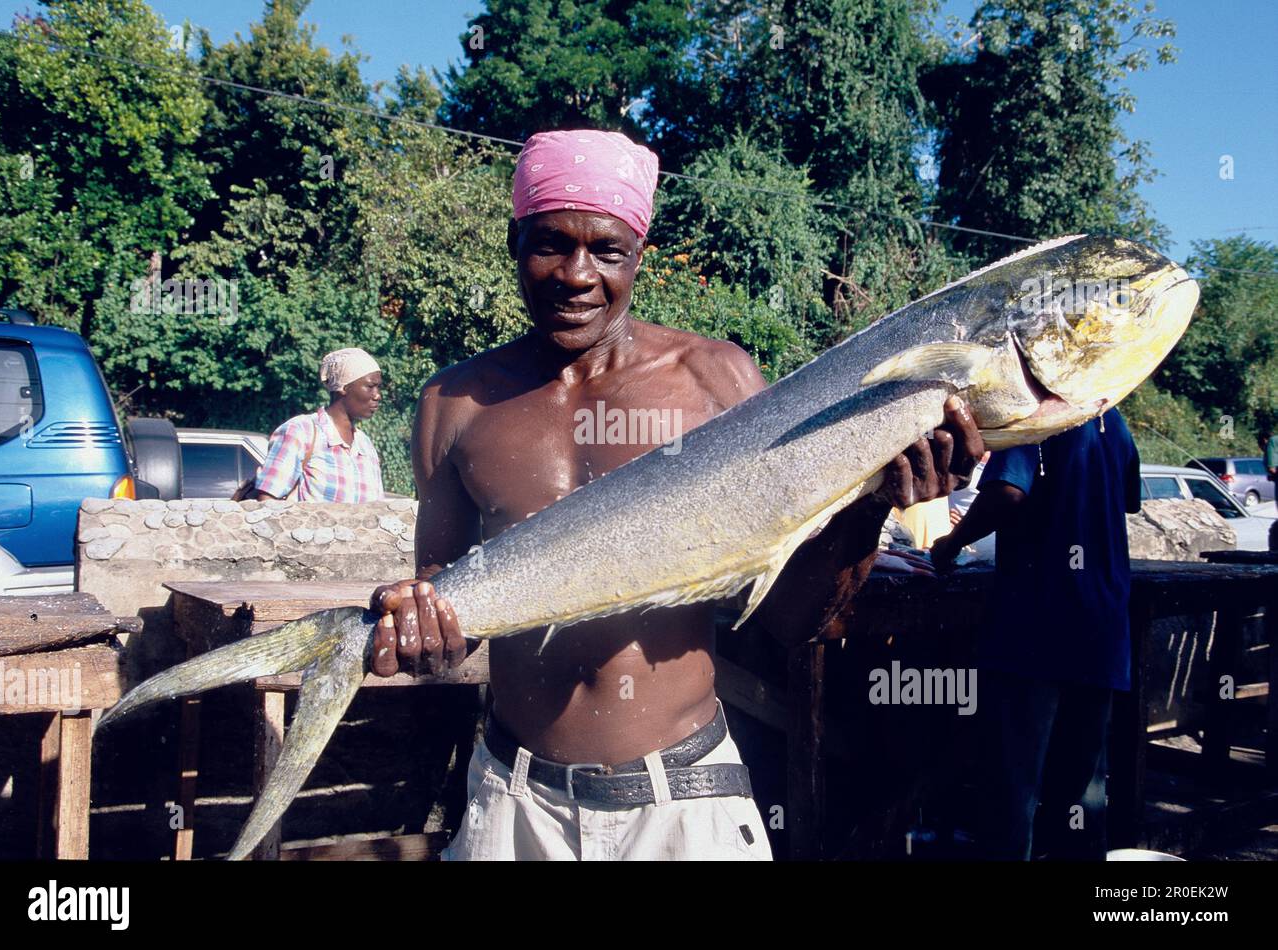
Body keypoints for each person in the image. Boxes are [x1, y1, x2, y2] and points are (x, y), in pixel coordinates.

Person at [369, 129, 982, 860]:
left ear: (639, 256)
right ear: (513, 241)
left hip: (683, 808)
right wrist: (414, 625)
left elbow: (791, 619)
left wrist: (869, 505)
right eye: (550, 243)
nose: (576, 273)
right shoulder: (454, 403)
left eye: (607, 251)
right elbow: (445, 609)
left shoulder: (716, 383)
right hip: (512, 801)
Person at [930, 408, 1140, 860]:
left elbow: (1007, 492)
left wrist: (951, 543)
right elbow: (1124, 498)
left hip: (1036, 627)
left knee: (1013, 791)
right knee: (1081, 791)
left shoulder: (1037, 417)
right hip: (1101, 628)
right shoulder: (1114, 420)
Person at [254, 347, 385, 502]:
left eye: (378, 387)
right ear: (343, 387)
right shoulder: (301, 432)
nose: (378, 396)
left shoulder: (365, 446)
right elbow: (267, 501)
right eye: (370, 386)